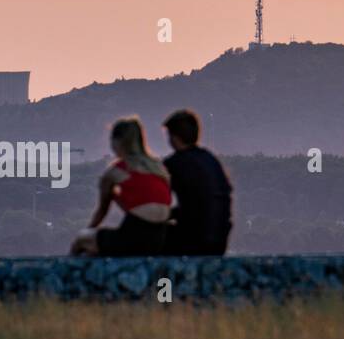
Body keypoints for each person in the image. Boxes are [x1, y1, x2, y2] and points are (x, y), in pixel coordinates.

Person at [70, 117, 171, 257]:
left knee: (82, 239)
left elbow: (101, 212)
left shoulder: (116, 172)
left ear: (117, 142)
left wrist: (89, 232)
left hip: (133, 236)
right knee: (94, 252)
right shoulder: (158, 168)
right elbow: (144, 205)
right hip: (160, 238)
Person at [161, 109, 233, 256]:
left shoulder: (174, 163)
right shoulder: (211, 160)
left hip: (192, 241)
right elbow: (199, 205)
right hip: (219, 242)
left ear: (173, 137)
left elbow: (157, 201)